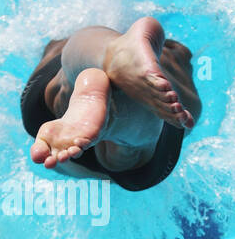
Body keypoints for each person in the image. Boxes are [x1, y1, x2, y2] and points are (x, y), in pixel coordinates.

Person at [20, 15, 200, 192]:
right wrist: (180, 55)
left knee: (64, 79)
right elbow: (180, 54)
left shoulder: (58, 39)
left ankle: (109, 57)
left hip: (55, 138)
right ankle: (111, 118)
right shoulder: (171, 54)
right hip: (135, 165)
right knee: (134, 143)